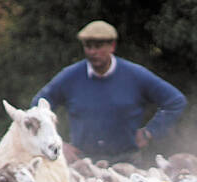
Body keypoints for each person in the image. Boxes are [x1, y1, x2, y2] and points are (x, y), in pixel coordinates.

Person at [31, 20, 187, 163]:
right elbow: (38, 107)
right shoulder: (70, 77)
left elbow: (175, 101)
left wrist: (150, 132)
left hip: (127, 162)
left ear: (112, 46)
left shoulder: (135, 75)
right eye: (88, 46)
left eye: (98, 46)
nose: (92, 52)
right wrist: (57, 144)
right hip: (83, 164)